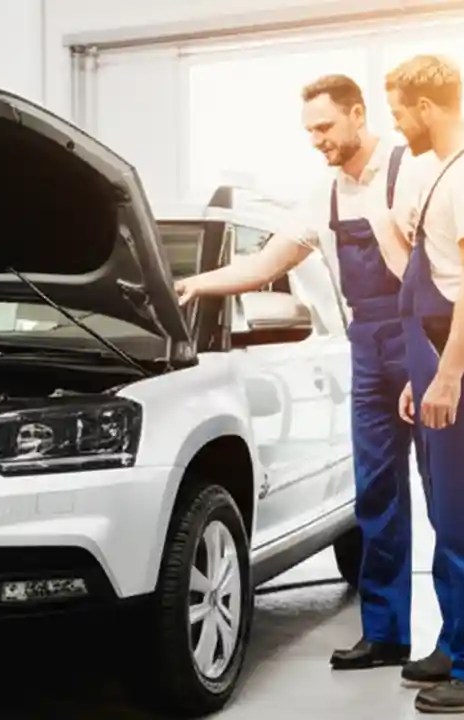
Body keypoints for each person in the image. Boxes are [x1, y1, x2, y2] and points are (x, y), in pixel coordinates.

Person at [174, 73, 442, 672]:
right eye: (308, 130)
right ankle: (387, 633)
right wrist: (191, 284)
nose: (316, 139)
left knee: (446, 498)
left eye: (324, 126)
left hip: (420, 340)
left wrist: (431, 361)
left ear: (357, 114)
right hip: (368, 354)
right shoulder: (322, 195)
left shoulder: (411, 172)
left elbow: (444, 268)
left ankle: (454, 644)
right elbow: (267, 261)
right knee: (377, 498)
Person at [382, 54, 464, 714]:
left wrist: (450, 375)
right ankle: (457, 643)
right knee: (448, 516)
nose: (398, 123)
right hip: (438, 363)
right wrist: (422, 376)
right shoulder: (443, 173)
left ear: (427, 108)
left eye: (399, 111)